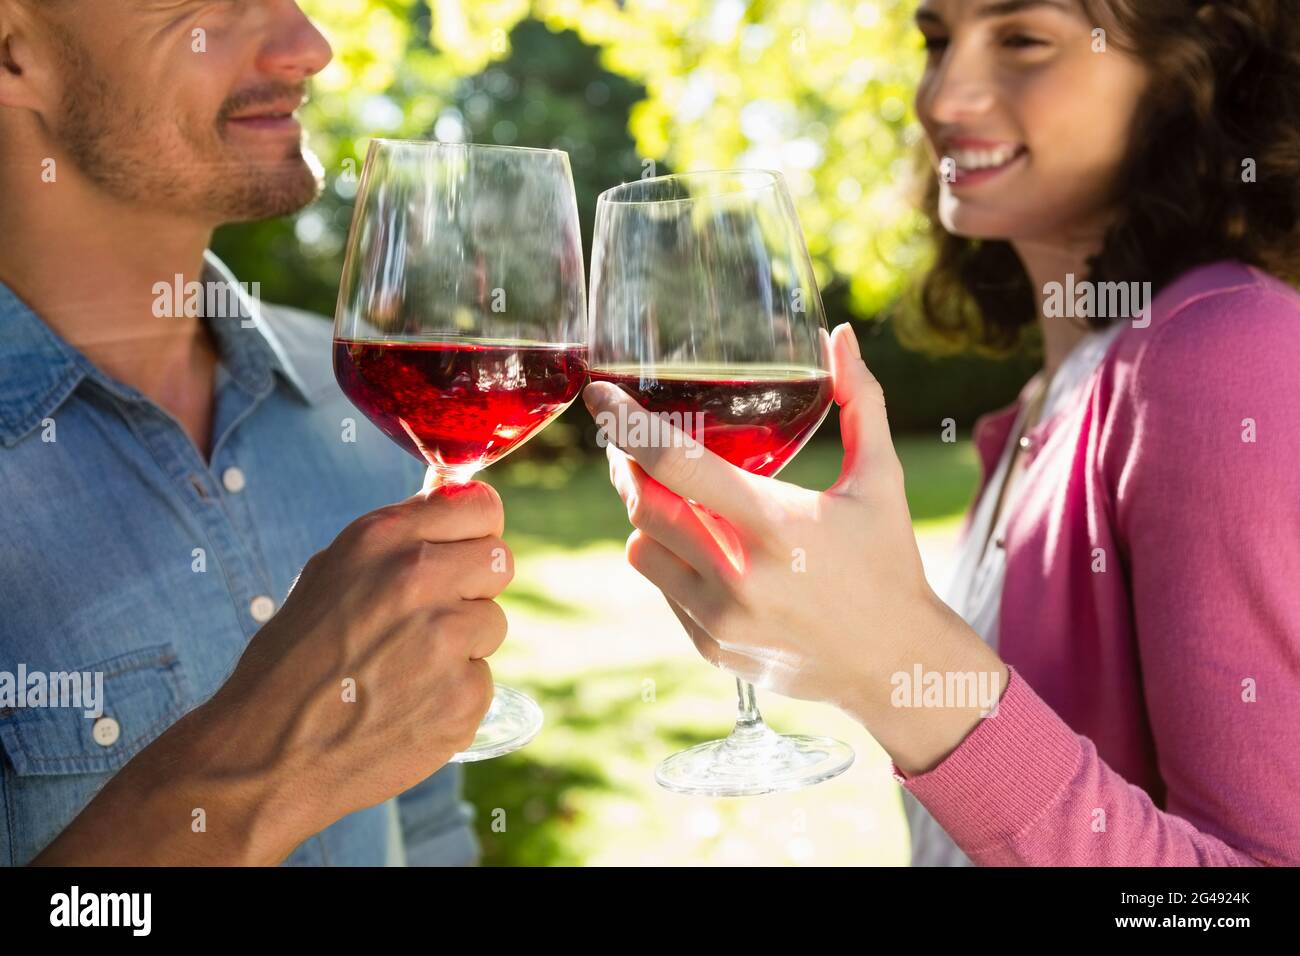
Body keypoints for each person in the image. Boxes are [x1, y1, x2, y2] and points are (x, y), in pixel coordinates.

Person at [584, 0, 1300, 865]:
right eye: (935, 40)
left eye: (1023, 39)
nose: (943, 97)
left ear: (1197, 65)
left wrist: (893, 665)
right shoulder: (1047, 404)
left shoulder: (1226, 349)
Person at [0, 0, 508, 865]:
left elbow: (424, 825)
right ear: (15, 53)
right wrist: (266, 765)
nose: (309, 47)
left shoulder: (364, 404)